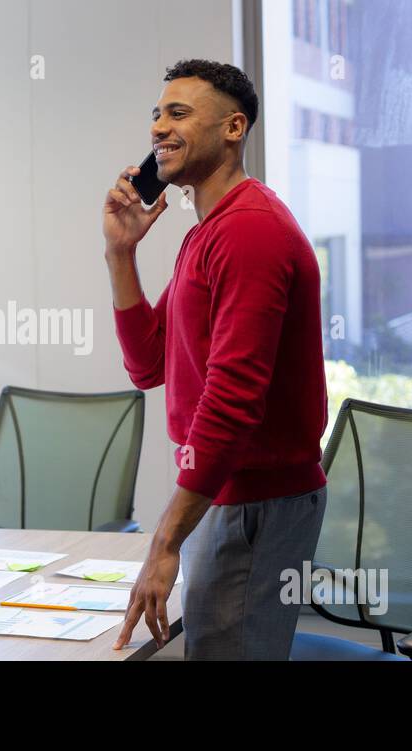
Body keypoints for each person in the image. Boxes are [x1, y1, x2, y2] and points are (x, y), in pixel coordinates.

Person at [103, 59, 328, 660]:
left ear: (233, 128)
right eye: (157, 114)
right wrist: (120, 253)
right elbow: (151, 363)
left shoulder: (250, 233)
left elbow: (232, 402)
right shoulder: (208, 232)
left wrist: (166, 539)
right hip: (226, 493)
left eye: (179, 113)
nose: (159, 128)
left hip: (254, 500)